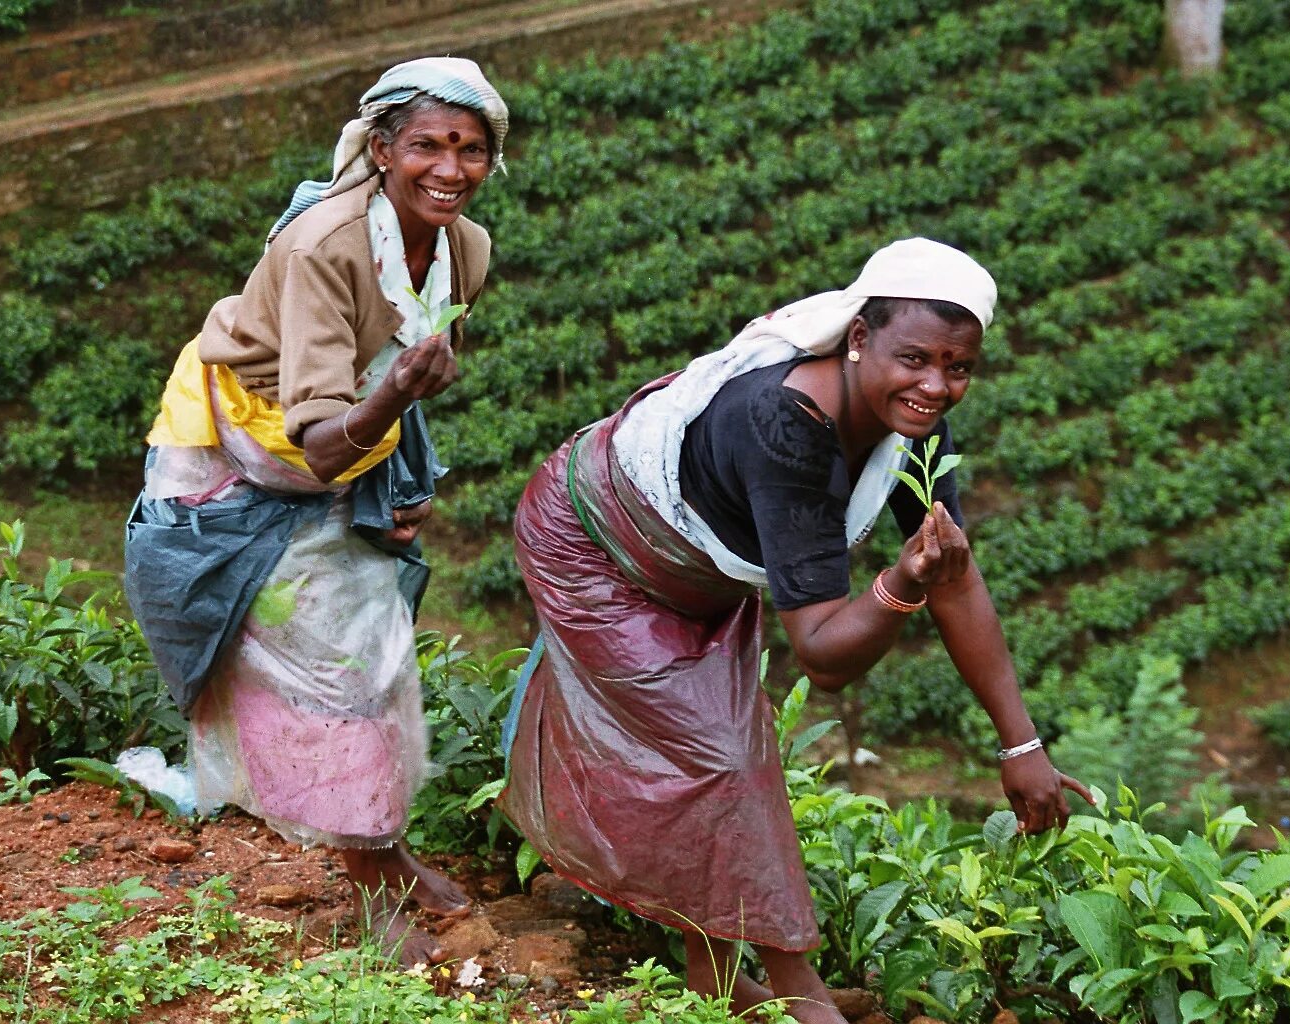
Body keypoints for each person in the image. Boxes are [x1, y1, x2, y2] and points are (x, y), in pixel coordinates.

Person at [499, 239, 1091, 1022]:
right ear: (855, 339)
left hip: (706, 572)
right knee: (728, 759)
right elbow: (824, 655)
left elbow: (958, 576)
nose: (936, 386)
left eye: (959, 367)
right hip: (600, 550)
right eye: (913, 358)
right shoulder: (786, 428)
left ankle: (713, 975)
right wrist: (902, 580)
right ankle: (797, 993)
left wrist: (1022, 746)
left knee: (729, 748)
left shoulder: (914, 425)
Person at [123, 57, 508, 967]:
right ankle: (372, 883)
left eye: (471, 149)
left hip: (340, 447)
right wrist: (395, 407)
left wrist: (399, 477)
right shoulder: (322, 247)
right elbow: (327, 432)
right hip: (243, 443)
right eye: (426, 146)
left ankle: (384, 848)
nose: (449, 168)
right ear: (380, 149)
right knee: (335, 667)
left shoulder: (469, 249)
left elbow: (400, 372)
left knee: (379, 649)